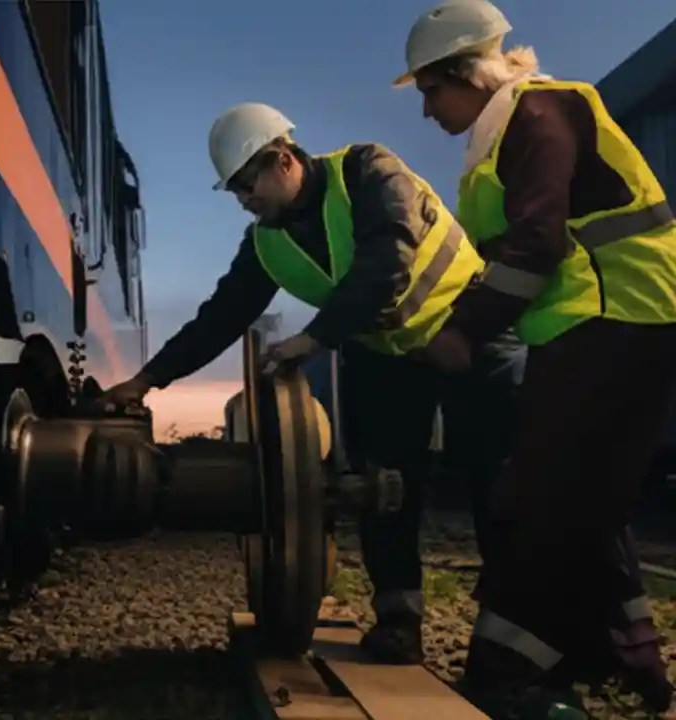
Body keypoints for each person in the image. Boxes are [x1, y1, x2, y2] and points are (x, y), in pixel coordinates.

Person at [98, 101, 525, 665]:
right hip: (384, 352)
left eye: (247, 186)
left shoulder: (370, 172)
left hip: (472, 331)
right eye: (234, 193)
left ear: (282, 159)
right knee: (386, 484)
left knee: (500, 479)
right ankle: (399, 617)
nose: (244, 201)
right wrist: (147, 380)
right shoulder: (266, 242)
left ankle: (508, 639)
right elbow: (220, 317)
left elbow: (386, 263)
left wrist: (314, 337)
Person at [396, 0, 676, 716]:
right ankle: (618, 653)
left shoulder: (539, 114)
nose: (427, 111)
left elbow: (537, 244)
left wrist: (465, 330)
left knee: (541, 502)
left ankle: (509, 676)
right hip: (600, 326)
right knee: (584, 502)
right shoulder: (506, 136)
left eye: (431, 89)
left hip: (616, 319)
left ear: (469, 74)